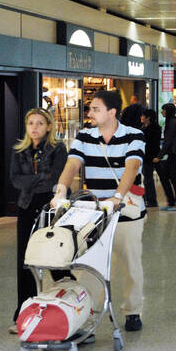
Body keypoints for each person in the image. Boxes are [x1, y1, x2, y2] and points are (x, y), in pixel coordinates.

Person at [52, 90, 147, 332]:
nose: (90, 113)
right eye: (90, 108)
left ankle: (132, 310)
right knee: (88, 264)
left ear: (112, 112)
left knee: (129, 262)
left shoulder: (133, 135)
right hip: (94, 212)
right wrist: (61, 189)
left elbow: (132, 167)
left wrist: (117, 197)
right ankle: (88, 314)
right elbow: (72, 163)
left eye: (96, 109)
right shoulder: (85, 135)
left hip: (126, 210)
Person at [8, 108, 67, 333]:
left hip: (50, 208)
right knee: (26, 260)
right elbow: (15, 180)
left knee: (54, 258)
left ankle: (69, 301)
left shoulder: (58, 149)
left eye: (40, 123)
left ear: (49, 126)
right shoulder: (19, 151)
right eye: (31, 123)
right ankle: (23, 312)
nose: (34, 127)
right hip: (26, 208)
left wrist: (32, 180)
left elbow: (57, 178)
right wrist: (38, 179)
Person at [138, 107, 170, 208]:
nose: (141, 117)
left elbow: (151, 144)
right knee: (148, 179)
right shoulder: (143, 127)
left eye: (143, 116)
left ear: (148, 117)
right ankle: (150, 199)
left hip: (152, 156)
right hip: (147, 156)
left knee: (151, 179)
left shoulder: (154, 128)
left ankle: (152, 200)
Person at [159, 104, 176, 211]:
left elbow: (168, 141)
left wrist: (160, 156)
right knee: (167, 177)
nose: (162, 112)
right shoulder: (173, 121)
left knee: (175, 179)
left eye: (163, 110)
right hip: (174, 153)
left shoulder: (172, 123)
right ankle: (172, 201)